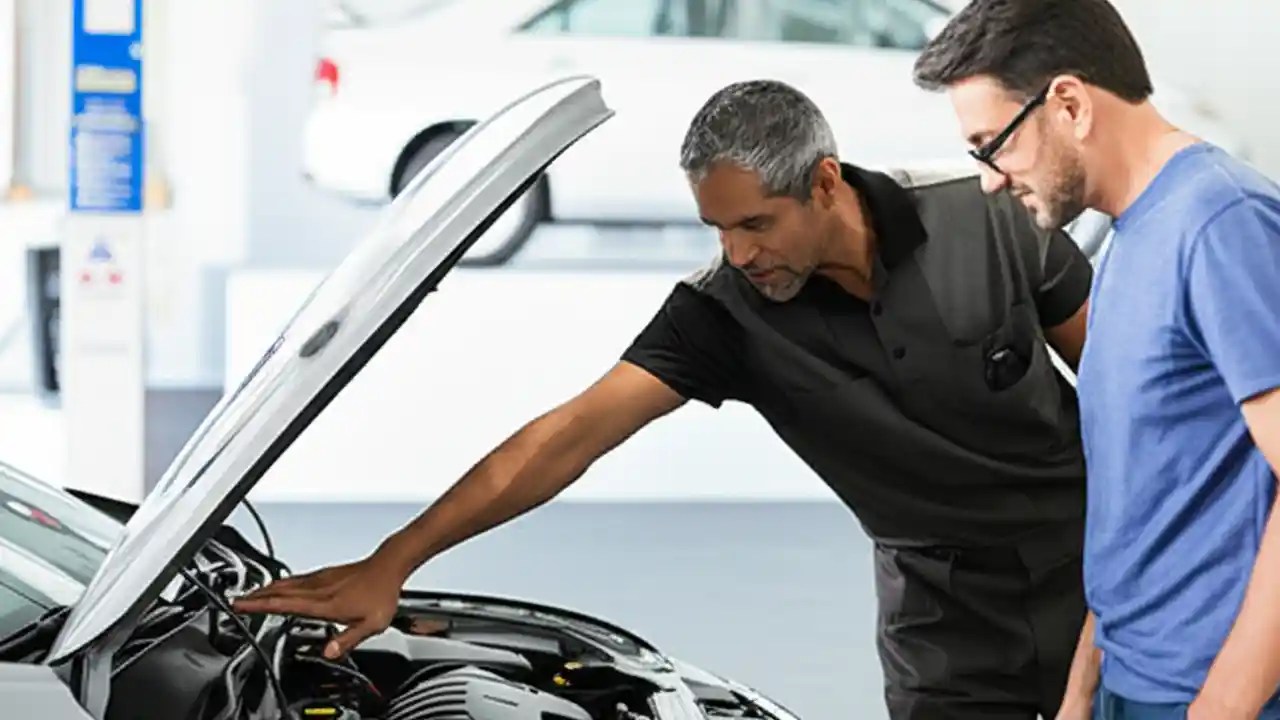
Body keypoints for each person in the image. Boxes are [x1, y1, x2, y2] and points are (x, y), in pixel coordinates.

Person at [235, 79, 1097, 719]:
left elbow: (1127, 394)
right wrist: (396, 559)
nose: (739, 253)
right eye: (716, 228)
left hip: (1097, 576)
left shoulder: (986, 219)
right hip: (943, 628)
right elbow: (566, 436)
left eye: (756, 224)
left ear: (825, 182)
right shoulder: (722, 313)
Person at [912, 1, 1280, 719]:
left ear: (1070, 104)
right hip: (1128, 684)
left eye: (993, 144)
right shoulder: (1127, 235)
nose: (989, 178)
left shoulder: (1223, 222)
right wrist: (1083, 689)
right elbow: (1138, 501)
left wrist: (1220, 709)